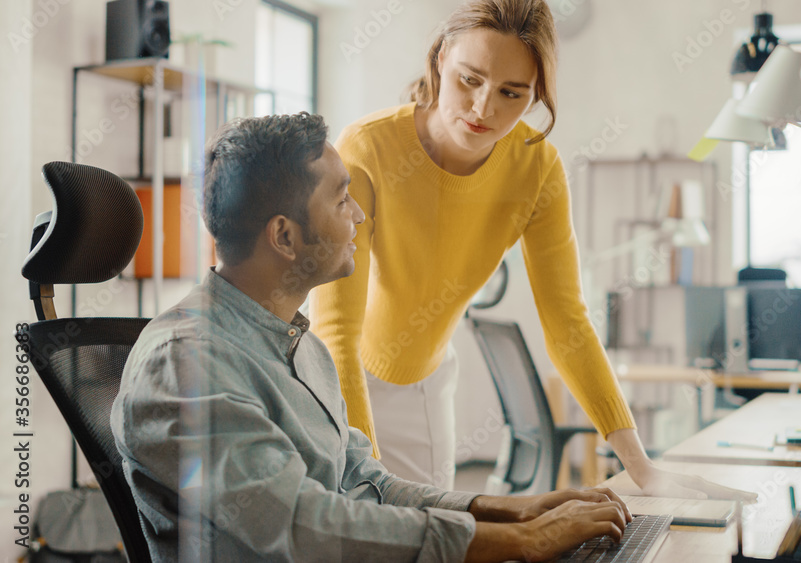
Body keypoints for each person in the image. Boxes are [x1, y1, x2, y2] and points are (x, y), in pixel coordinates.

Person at [111, 113, 635, 562]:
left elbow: (370, 484)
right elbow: (302, 526)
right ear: (284, 236)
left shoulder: (301, 348)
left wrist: (513, 509)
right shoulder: (184, 364)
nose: (359, 215)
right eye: (341, 200)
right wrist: (521, 540)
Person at [309, 0, 756, 503]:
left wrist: (641, 468)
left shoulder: (536, 169)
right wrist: (363, 467)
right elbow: (336, 334)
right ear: (439, 59)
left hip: (427, 380)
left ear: (536, 95)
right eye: (469, 80)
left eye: (511, 92)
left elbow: (567, 322)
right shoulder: (367, 150)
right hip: (337, 382)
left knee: (436, 540)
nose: (484, 109)